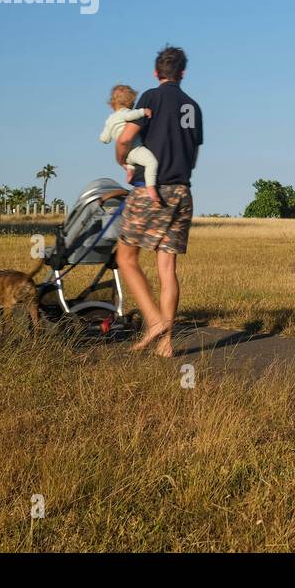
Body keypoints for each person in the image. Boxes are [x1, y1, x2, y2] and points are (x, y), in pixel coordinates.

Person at [115, 45, 203, 357]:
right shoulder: (193, 106)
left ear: (156, 73)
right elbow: (193, 156)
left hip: (150, 190)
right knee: (167, 267)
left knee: (125, 257)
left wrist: (121, 158)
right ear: (182, 73)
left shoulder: (150, 97)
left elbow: (126, 138)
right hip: (182, 191)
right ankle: (165, 346)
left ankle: (153, 321)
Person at [99, 84, 159, 203]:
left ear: (112, 104)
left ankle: (129, 170)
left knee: (130, 163)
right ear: (131, 102)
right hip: (134, 149)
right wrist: (143, 111)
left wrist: (104, 137)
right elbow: (132, 115)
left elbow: (105, 138)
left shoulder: (110, 120)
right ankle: (151, 187)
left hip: (124, 155)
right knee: (152, 162)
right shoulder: (126, 113)